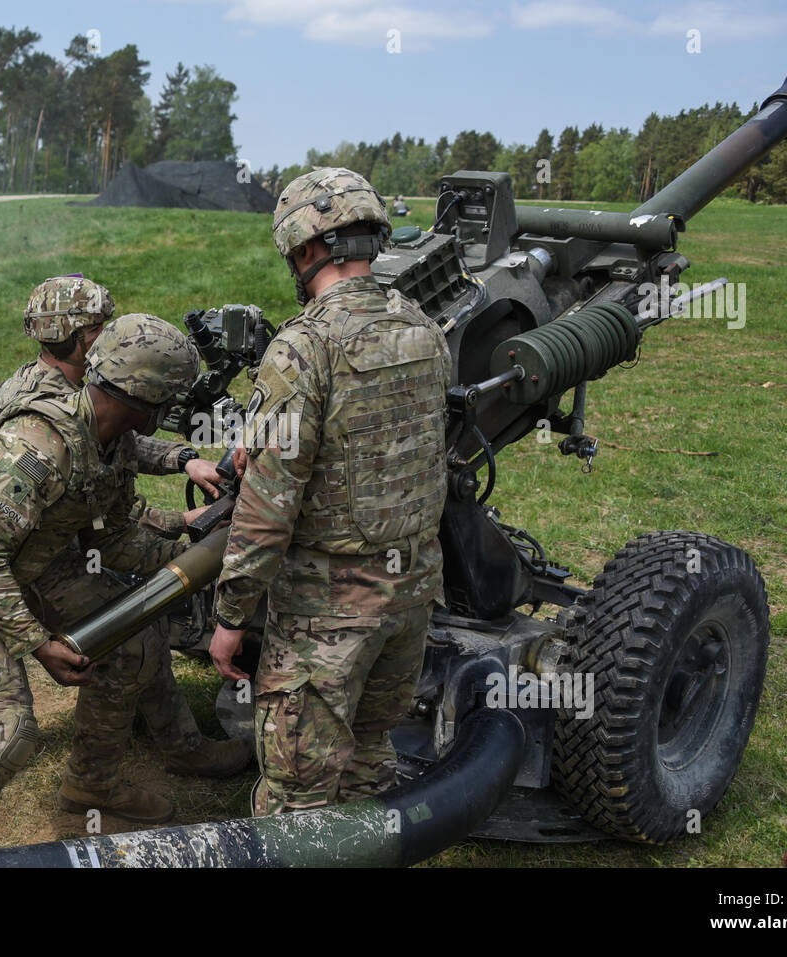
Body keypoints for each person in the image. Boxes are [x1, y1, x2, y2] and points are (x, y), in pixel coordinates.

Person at [0, 313, 250, 856]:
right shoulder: (38, 447)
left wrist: (202, 549)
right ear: (145, 397)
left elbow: (117, 544)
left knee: (130, 642)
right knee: (3, 731)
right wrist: (39, 645)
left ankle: (94, 782)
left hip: (30, 556)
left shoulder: (113, 440)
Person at [209, 167, 451, 815]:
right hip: (408, 599)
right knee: (369, 760)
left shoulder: (303, 348)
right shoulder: (426, 331)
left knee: (294, 796)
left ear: (308, 249)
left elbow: (266, 508)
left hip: (326, 613)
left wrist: (232, 617)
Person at [0, 275, 224, 498]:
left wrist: (184, 460)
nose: (106, 336)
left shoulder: (65, 385)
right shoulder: (38, 401)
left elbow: (114, 437)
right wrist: (181, 521)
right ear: (63, 337)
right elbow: (89, 515)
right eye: (94, 330)